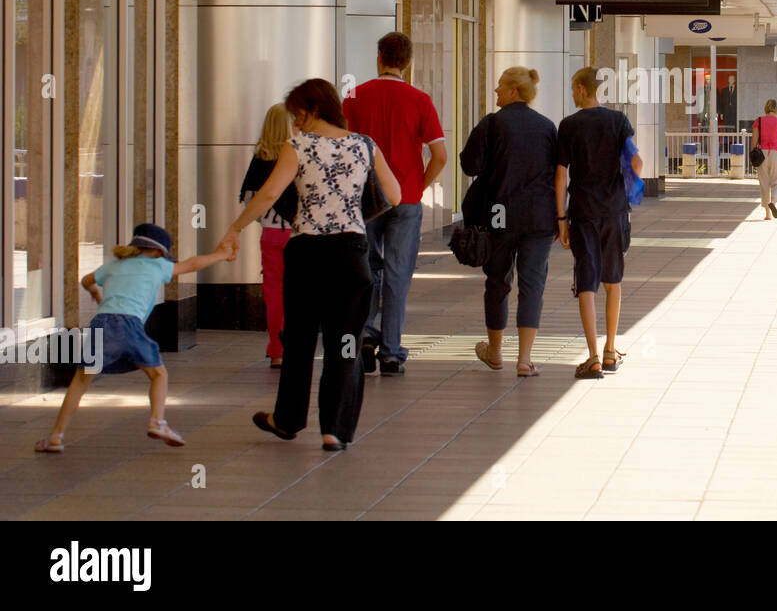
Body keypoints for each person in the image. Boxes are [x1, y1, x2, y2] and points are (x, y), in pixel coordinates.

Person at [222, 79, 401, 452]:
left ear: (313, 109)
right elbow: (395, 194)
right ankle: (335, 429)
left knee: (300, 340)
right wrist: (353, 214)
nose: (295, 123)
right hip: (351, 254)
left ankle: (287, 420)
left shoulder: (298, 146)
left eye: (298, 114)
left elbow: (270, 193)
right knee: (346, 342)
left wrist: (235, 227)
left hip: (307, 252)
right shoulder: (365, 145)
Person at [34, 224, 234, 453]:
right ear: (159, 252)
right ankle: (157, 421)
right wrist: (221, 254)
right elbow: (191, 264)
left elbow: (86, 280)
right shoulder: (158, 265)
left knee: (80, 381)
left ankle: (56, 436)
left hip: (100, 323)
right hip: (129, 323)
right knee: (158, 374)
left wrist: (96, 292)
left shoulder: (113, 265)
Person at [343, 32, 447, 378]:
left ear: (379, 57)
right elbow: (440, 155)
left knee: (366, 270)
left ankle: (366, 337)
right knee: (398, 274)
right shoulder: (420, 99)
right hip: (406, 198)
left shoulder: (355, 96)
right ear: (408, 62)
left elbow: (343, 146)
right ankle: (391, 351)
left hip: (365, 198)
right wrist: (418, 185)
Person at [460, 67, 557, 378]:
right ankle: (525, 359)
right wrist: (559, 217)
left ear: (514, 91)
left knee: (498, 281)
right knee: (532, 285)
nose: (495, 91)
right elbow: (557, 173)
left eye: (500, 86)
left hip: (499, 214)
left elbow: (469, 164)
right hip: (539, 218)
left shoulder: (492, 124)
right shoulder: (546, 127)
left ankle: (496, 351)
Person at [555, 66, 642, 380]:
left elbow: (561, 174)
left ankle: (592, 357)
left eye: (572, 87)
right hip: (614, 211)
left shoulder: (569, 126)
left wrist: (561, 219)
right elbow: (635, 160)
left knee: (586, 283)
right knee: (613, 280)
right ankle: (609, 350)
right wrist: (633, 185)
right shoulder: (617, 121)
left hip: (582, 212)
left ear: (580, 88)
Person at [239, 104, 297, 368]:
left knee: (273, 294)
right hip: (298, 237)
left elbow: (251, 199)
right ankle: (297, 345)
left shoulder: (259, 159)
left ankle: (277, 350)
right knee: (299, 293)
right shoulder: (298, 155)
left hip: (270, 236)